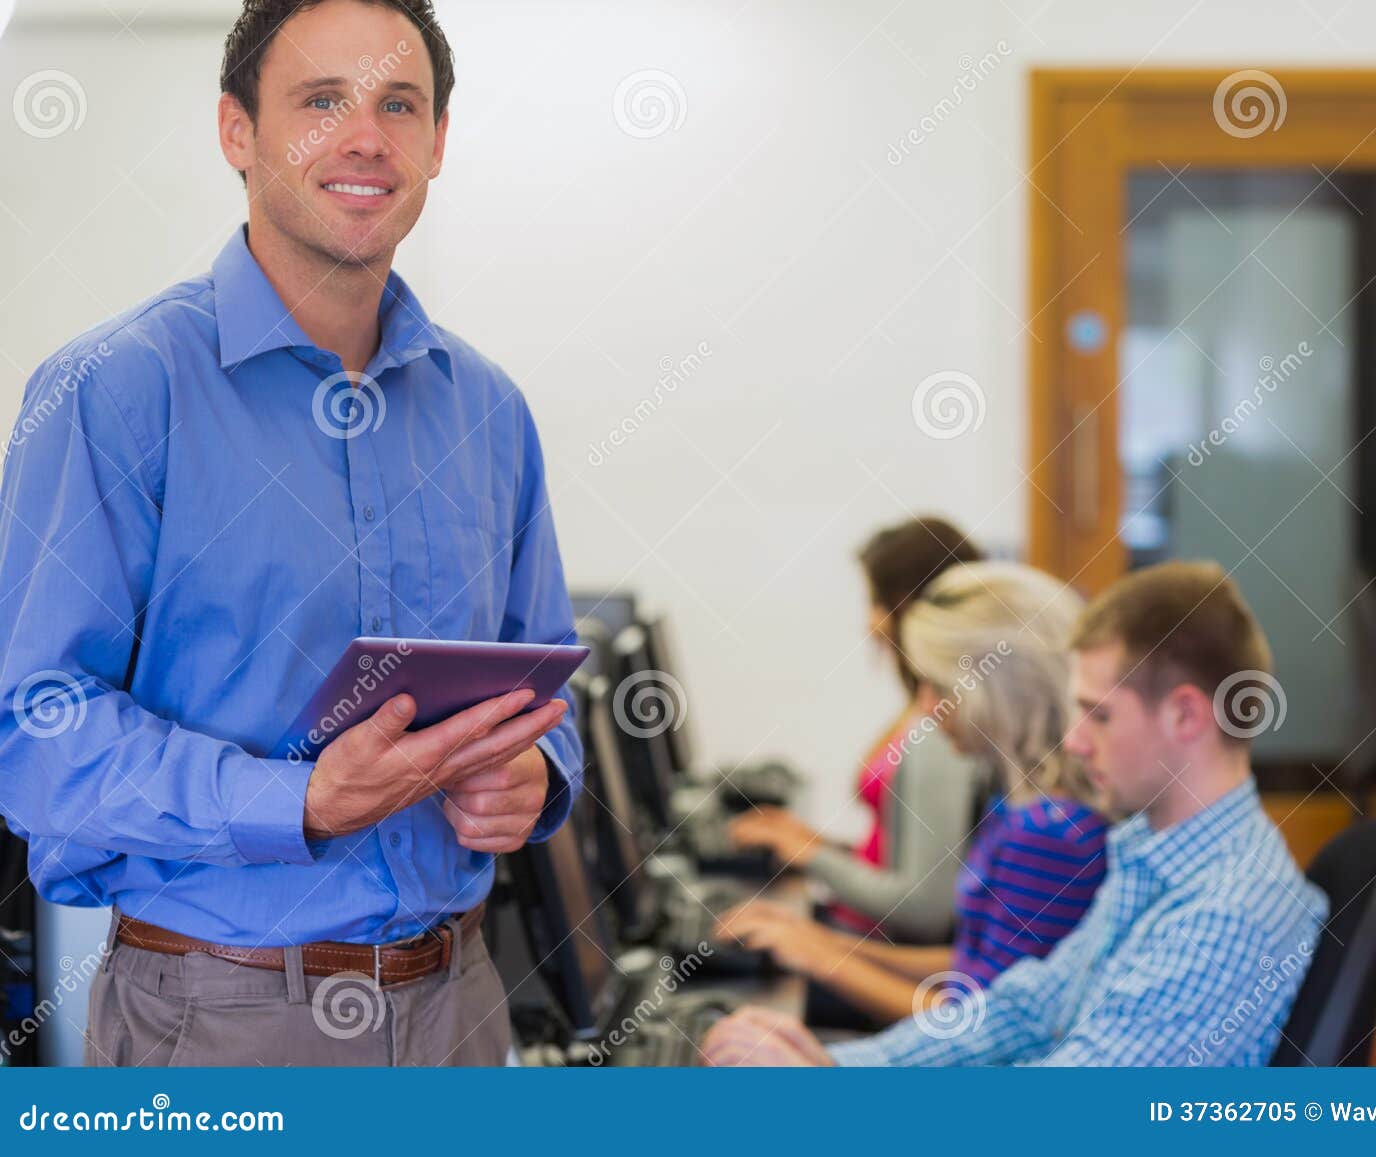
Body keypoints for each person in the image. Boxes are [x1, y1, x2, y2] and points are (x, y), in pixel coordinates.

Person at [0, 0, 581, 1066]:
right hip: (224, 1019)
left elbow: (544, 688)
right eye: (322, 101)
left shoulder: (488, 409)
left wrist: (537, 773)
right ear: (237, 131)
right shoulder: (116, 391)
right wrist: (299, 800)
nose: (366, 136)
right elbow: (34, 731)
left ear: (437, 142)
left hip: (464, 1003)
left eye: (398, 104)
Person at [703, 560, 1328, 1067]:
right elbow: (1026, 1009)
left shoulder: (1224, 913)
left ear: (1187, 716)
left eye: (1100, 715)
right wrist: (845, 1068)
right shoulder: (1154, 854)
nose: (1077, 741)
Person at [717, 562, 1108, 1025]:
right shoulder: (1025, 805)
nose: (926, 706)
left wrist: (825, 959)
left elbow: (984, 1025)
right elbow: (975, 966)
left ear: (996, 690)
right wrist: (824, 943)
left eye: (938, 687)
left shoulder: (1048, 832)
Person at [726, 516, 987, 943]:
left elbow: (922, 911)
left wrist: (814, 857)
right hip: (863, 936)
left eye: (875, 603)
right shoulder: (924, 708)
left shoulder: (941, 732)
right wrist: (813, 843)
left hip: (881, 951)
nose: (869, 623)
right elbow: (900, 864)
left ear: (905, 604)